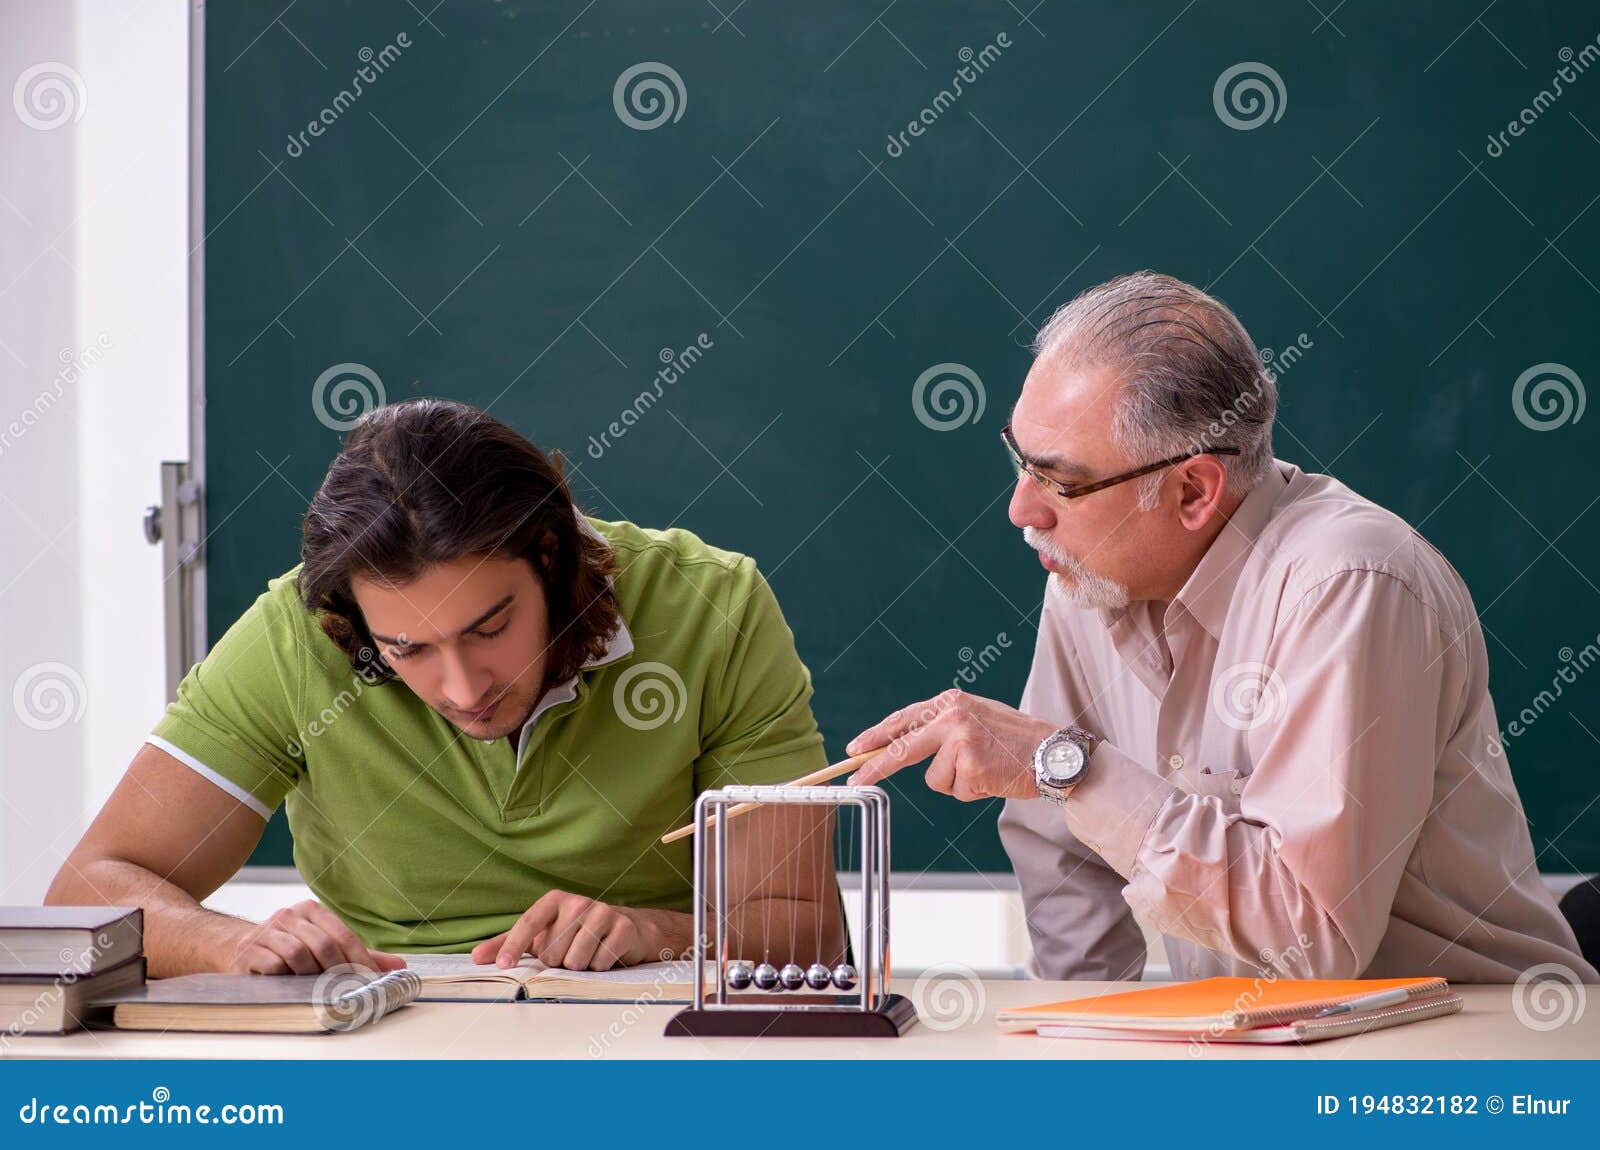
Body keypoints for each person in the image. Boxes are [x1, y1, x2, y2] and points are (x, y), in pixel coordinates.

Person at [848, 271, 1597, 984]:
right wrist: (1066, 1049)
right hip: (1254, 1046)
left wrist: (1065, 765)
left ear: (1194, 490)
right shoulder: (1087, 574)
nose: (1021, 511)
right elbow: (1062, 858)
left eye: (1062, 483)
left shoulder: (1350, 584)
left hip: (1462, 1046)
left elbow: (1312, 939)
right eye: (1019, 461)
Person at [48, 398, 844, 977]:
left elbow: (810, 932)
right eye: (408, 648)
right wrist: (231, 942)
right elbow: (88, 894)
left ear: (553, 559)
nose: (463, 688)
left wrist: (661, 931)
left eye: (489, 628)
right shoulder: (296, 633)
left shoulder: (714, 604)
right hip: (392, 1034)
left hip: (652, 1023)